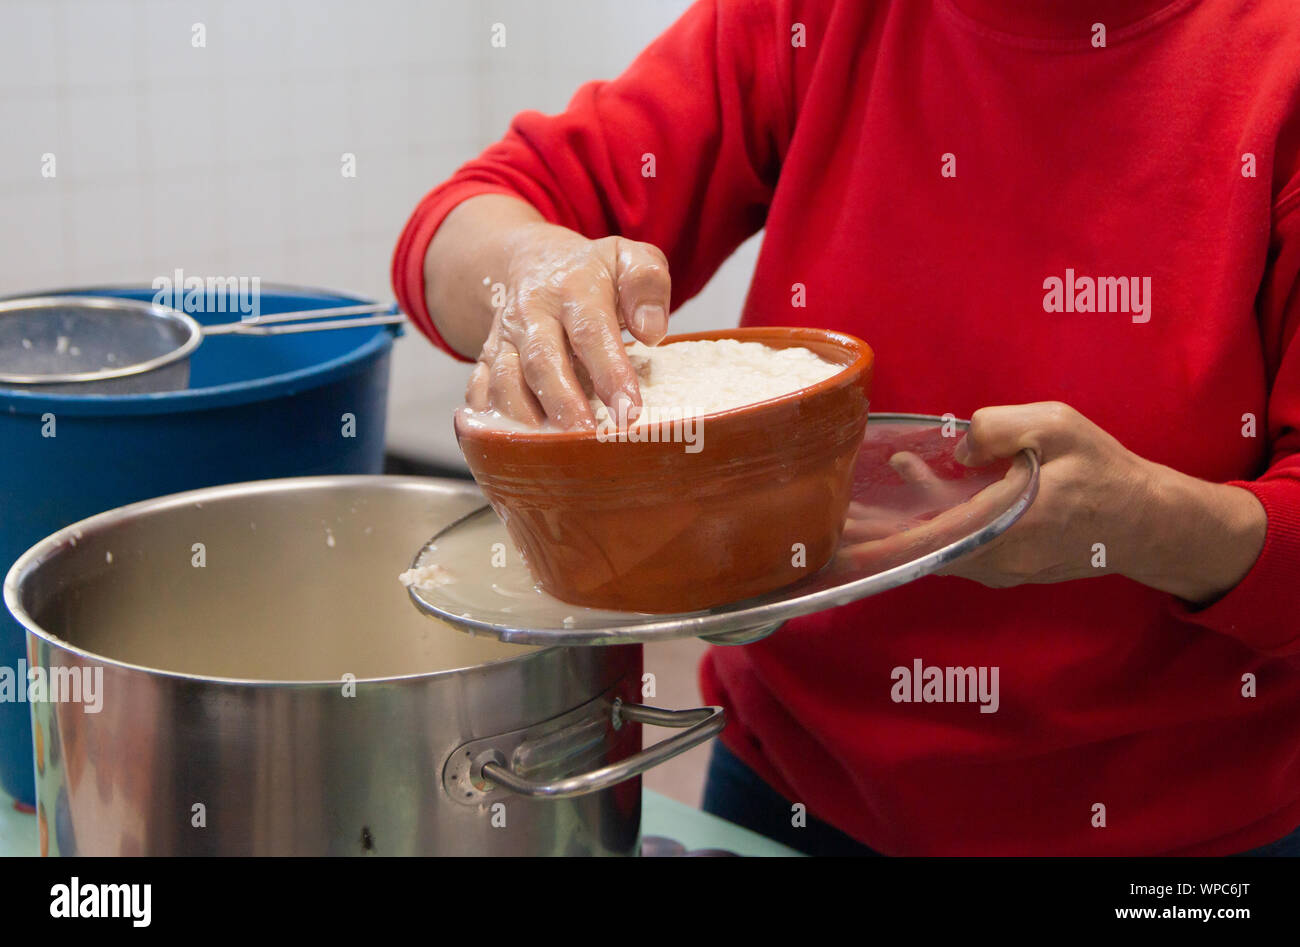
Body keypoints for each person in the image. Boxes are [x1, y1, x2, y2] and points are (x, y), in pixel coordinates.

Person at [392, 0, 1300, 855]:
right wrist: (532, 268)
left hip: (1178, 836)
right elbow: (459, 225)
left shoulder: (1272, 63)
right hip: (794, 796)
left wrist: (1147, 523)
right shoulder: (819, 20)